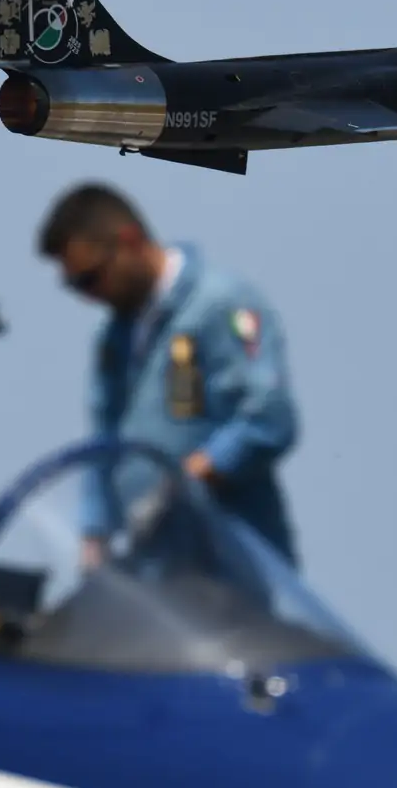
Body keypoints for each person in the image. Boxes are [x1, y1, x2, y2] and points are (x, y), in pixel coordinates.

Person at [37, 183, 301, 568]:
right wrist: (94, 533)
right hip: (160, 583)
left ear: (128, 241)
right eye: (76, 285)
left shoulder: (221, 304)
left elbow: (270, 418)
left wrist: (190, 480)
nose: (87, 297)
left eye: (91, 278)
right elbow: (105, 442)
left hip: (237, 576)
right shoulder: (115, 340)